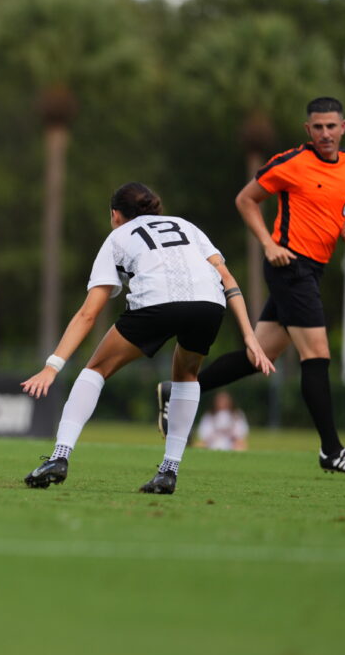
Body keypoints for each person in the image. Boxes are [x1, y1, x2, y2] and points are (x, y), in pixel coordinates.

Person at [156, 97, 345, 475]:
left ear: (343, 127)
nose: (325, 133)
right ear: (308, 129)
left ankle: (175, 391)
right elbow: (246, 199)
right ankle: (332, 450)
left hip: (314, 269)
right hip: (290, 266)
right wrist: (269, 245)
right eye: (318, 126)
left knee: (256, 356)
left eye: (331, 126)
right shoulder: (292, 162)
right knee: (317, 354)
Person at [21, 182, 273, 494]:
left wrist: (52, 366)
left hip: (157, 303)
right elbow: (228, 280)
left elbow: (88, 313)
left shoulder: (117, 237)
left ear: (115, 214)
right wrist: (249, 336)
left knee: (96, 369)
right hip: (209, 304)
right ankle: (169, 471)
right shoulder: (186, 226)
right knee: (187, 375)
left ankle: (59, 457)